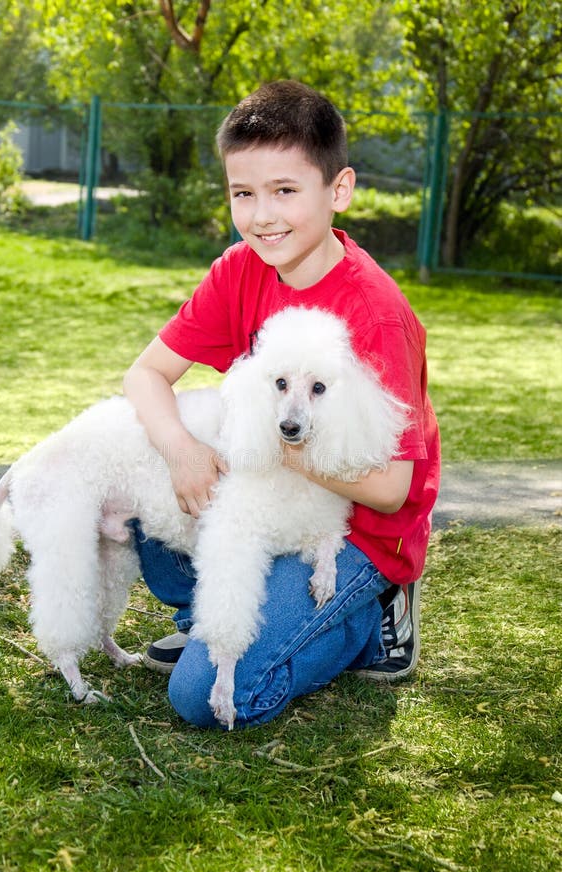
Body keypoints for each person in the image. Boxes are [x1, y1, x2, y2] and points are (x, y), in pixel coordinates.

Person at [123, 80, 440, 728]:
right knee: (139, 458)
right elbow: (146, 376)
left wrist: (270, 446)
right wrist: (182, 451)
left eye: (285, 191)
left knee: (202, 699)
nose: (262, 215)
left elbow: (388, 488)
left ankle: (367, 623)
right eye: (244, 193)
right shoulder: (239, 270)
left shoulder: (374, 315)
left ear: (339, 189)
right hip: (264, 497)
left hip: (356, 530)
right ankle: (206, 615)